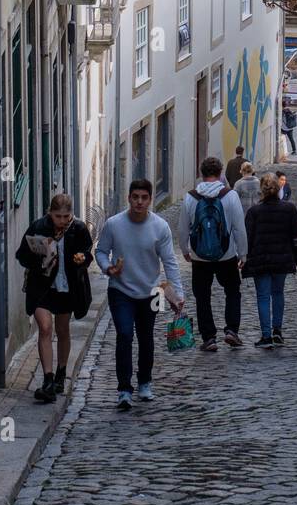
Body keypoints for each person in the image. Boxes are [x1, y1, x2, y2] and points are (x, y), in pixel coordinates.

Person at [95, 179, 185, 411]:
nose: (139, 202)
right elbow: (101, 251)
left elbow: (170, 261)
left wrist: (178, 293)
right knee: (124, 335)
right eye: (135, 197)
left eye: (144, 198)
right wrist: (107, 268)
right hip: (120, 290)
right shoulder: (114, 224)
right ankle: (124, 389)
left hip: (153, 291)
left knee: (146, 338)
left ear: (150, 200)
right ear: (129, 198)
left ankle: (145, 382)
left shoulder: (160, 227)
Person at [16, 193, 93, 404]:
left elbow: (88, 254)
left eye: (66, 216)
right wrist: (40, 255)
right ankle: (48, 380)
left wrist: (81, 259)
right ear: (50, 213)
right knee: (45, 328)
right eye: (57, 216)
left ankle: (61, 373)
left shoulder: (78, 229)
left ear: (71, 214)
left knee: (62, 329)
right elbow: (22, 255)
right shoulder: (39, 227)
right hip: (41, 286)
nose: (62, 220)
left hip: (65, 287)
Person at [178, 155, 248, 352]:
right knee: (232, 291)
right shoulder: (230, 196)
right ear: (220, 173)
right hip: (226, 254)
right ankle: (231, 330)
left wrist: (185, 250)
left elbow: (183, 228)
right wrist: (243, 254)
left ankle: (209, 338)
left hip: (199, 256)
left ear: (201, 174)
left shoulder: (191, 197)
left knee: (202, 296)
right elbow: (239, 228)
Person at [243, 173, 297, 348]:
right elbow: (296, 236)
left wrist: (244, 259)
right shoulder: (289, 209)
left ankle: (266, 335)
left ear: (261, 190)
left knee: (263, 296)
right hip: (281, 259)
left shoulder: (254, 212)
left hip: (260, 259)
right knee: (278, 294)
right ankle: (277, 331)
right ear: (278, 189)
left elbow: (248, 239)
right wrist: (296, 257)